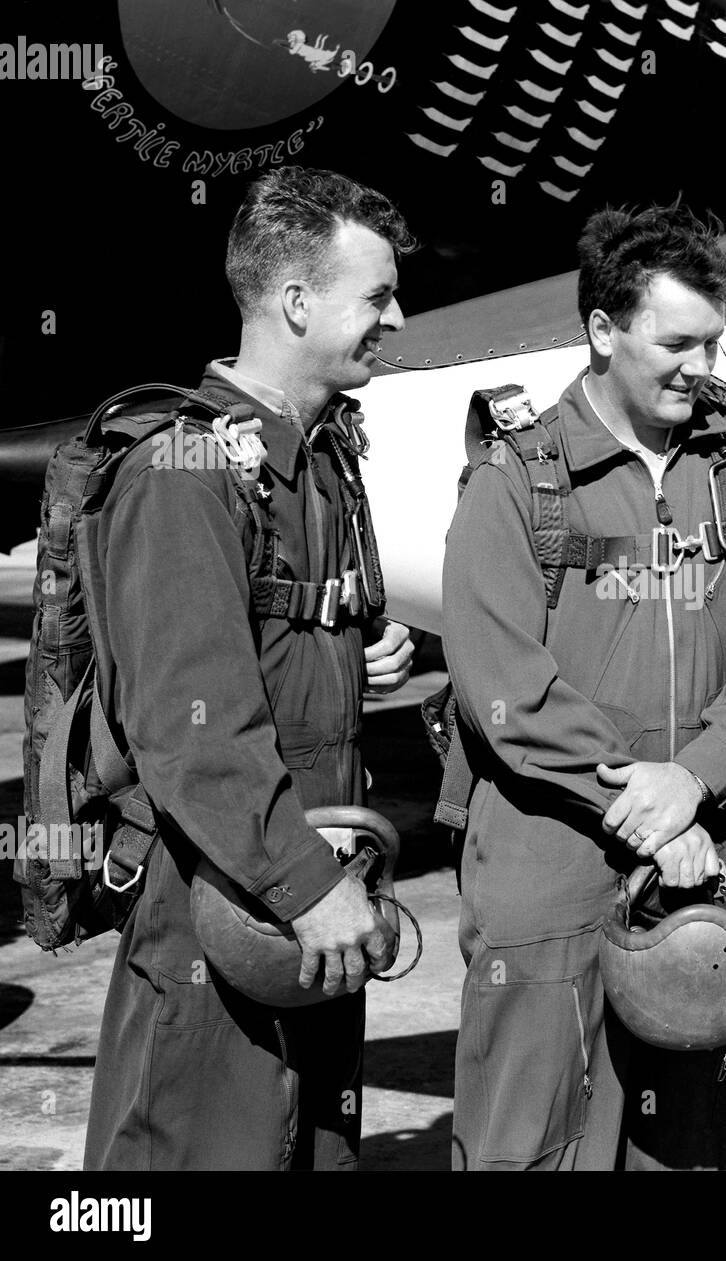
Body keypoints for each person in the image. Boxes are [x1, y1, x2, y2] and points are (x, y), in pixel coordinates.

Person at [442, 204, 726, 1170]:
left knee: (703, 1142)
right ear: (603, 331)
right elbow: (504, 685)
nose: (701, 368)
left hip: (715, 864)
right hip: (552, 861)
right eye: (677, 342)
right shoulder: (517, 482)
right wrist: (648, 802)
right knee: (529, 1143)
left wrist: (694, 778)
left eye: (714, 344)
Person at [83, 165, 417, 1170]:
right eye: (377, 297)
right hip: (223, 907)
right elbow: (193, 729)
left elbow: (257, 657)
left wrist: (347, 660)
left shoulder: (321, 460)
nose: (396, 319)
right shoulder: (183, 472)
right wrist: (307, 887)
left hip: (306, 908)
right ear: (298, 301)